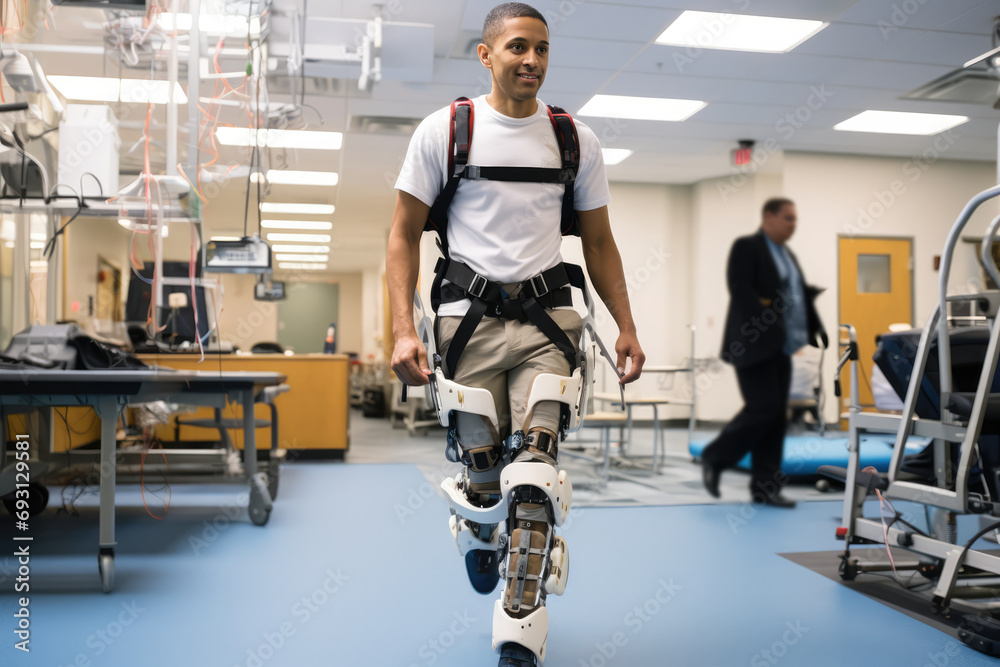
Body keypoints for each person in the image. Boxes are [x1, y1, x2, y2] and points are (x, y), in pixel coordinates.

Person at [386, 4, 644, 665]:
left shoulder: (573, 139)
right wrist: (401, 329)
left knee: (535, 473)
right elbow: (401, 235)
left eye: (543, 50)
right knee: (483, 472)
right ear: (486, 54)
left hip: (549, 324)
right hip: (466, 323)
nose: (532, 60)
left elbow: (601, 242)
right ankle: (478, 523)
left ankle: (520, 620)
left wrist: (627, 326)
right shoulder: (446, 131)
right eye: (518, 47)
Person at [701, 197, 827, 508]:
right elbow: (742, 291)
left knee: (775, 418)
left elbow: (796, 295)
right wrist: (769, 321)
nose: (793, 224)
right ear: (768, 217)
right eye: (788, 218)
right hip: (753, 344)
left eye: (795, 219)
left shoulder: (787, 255)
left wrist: (814, 325)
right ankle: (715, 456)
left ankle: (765, 487)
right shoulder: (747, 247)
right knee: (764, 408)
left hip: (783, 347)